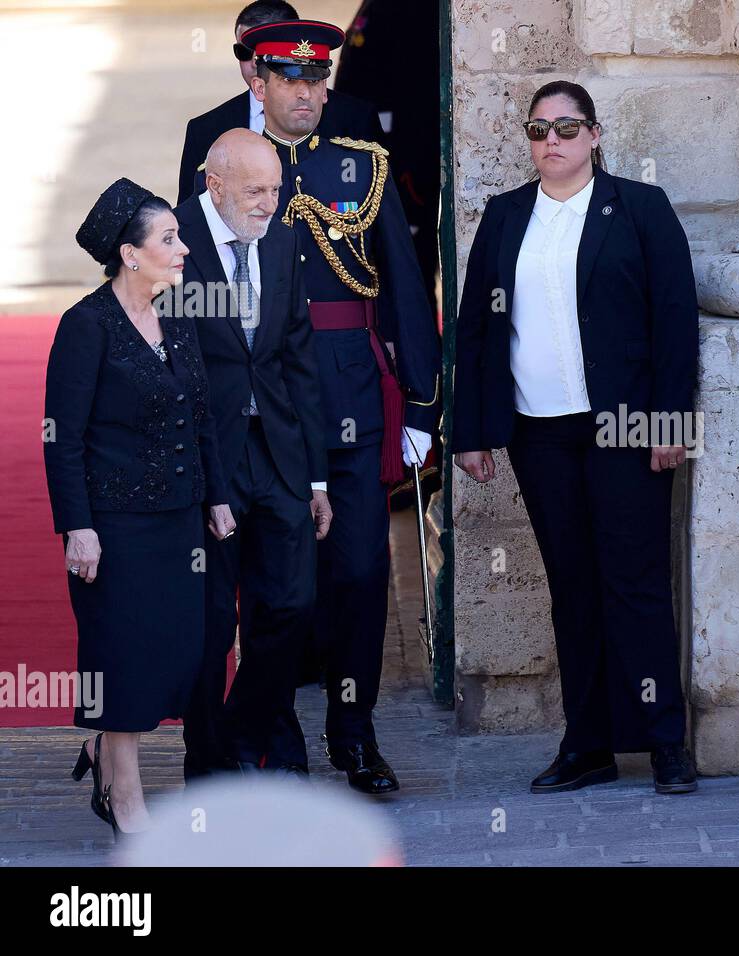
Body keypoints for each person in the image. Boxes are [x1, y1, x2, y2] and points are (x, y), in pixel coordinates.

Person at [452, 80, 700, 795]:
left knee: (637, 584)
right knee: (573, 589)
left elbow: (674, 317)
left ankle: (664, 742)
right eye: (538, 130)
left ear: (594, 135)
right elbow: (475, 329)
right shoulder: (504, 218)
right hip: (540, 433)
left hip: (625, 430)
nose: (551, 141)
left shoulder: (639, 208)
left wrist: (669, 420)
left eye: (566, 127)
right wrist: (471, 430)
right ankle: (587, 744)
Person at [242, 18, 440, 794]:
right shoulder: (227, 169)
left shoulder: (365, 169)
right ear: (259, 84)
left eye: (317, 80)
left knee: (359, 575)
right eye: (291, 79)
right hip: (268, 405)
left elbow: (404, 289)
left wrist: (423, 404)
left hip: (352, 389)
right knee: (278, 582)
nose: (307, 93)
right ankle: (281, 739)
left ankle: (354, 735)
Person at [45, 179, 236, 837]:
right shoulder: (85, 326)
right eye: (169, 239)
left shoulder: (177, 315)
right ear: (130, 253)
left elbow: (202, 415)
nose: (183, 248)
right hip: (114, 525)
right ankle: (122, 793)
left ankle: (101, 744)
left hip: (180, 520)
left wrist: (216, 496)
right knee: (121, 658)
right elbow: (62, 437)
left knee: (181, 652)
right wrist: (78, 528)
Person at [171, 129, 331, 781]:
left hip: (280, 455)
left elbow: (298, 359)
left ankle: (245, 729)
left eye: (276, 189)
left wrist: (317, 475)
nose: (271, 204)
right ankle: (207, 760)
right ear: (215, 185)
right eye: (256, 191)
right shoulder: (170, 236)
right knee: (209, 621)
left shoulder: (285, 237)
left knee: (292, 603)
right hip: (206, 457)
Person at [176, 0, 381, 204]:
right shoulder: (204, 130)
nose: (257, 62)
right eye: (245, 52)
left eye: (268, 55)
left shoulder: (356, 117)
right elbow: (190, 225)